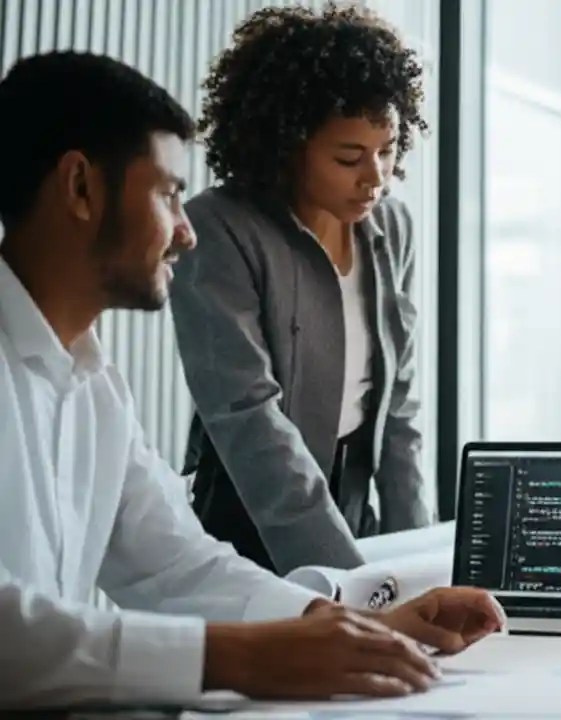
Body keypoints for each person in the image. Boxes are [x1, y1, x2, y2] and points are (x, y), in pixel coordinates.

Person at [0, 51, 503, 708]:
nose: (184, 232)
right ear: (80, 188)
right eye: (168, 194)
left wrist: (353, 627)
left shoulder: (95, 386)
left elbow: (175, 562)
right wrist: (245, 655)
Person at [170, 4, 431, 575]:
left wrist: (421, 560)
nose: (376, 177)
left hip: (358, 515)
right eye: (349, 157)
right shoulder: (218, 228)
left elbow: (399, 410)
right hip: (252, 524)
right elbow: (246, 417)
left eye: (387, 149)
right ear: (288, 144)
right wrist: (345, 577)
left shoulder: (393, 226)